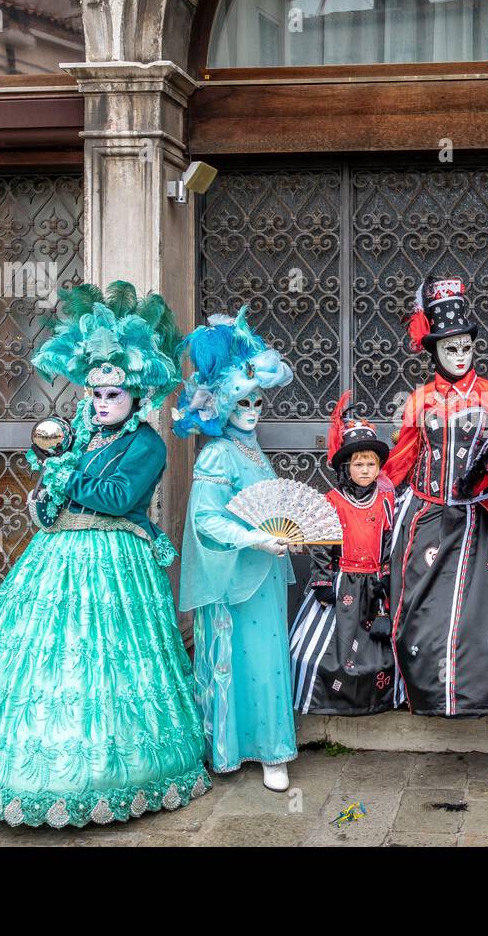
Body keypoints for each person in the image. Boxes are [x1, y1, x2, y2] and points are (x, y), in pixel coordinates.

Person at [0, 282, 209, 828]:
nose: (101, 404)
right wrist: (46, 491)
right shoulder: (79, 433)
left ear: (137, 396)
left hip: (115, 559)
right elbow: (56, 499)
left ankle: (112, 774)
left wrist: (68, 472)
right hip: (56, 556)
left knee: (105, 657)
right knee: (41, 653)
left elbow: (120, 497)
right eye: (95, 395)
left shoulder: (146, 443)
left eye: (113, 396)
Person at [382, 275, 488, 717]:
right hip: (430, 519)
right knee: (422, 612)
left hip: (485, 519)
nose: (458, 356)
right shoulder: (419, 400)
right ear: (433, 350)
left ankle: (485, 697)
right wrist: (366, 496)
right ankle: (431, 696)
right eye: (449, 348)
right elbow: (401, 459)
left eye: (465, 348)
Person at [172, 310, 297, 792]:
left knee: (267, 661)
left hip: (264, 575)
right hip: (230, 577)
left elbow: (269, 509)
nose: (251, 410)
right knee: (231, 660)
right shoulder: (217, 453)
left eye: (258, 401)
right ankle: (227, 749)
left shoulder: (254, 450)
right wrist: (254, 538)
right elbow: (206, 518)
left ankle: (271, 751)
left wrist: (276, 539)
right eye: (242, 402)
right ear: (222, 405)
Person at [289, 391, 399, 715]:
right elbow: (322, 544)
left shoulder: (386, 501)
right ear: (347, 467)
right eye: (358, 464)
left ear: (379, 467)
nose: (365, 469)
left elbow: (389, 541)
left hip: (373, 588)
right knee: (320, 651)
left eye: (371, 464)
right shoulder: (333, 502)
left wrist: (387, 578)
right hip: (341, 587)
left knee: (376, 653)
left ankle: (375, 699)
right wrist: (323, 580)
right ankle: (326, 699)